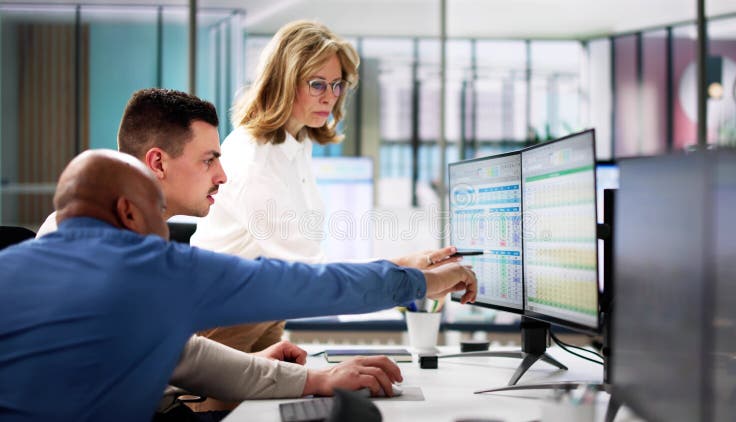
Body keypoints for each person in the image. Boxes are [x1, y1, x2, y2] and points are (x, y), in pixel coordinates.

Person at [0, 150, 477, 421]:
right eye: (158, 214)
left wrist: (309, 379)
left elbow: (183, 358)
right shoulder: (153, 267)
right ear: (127, 212)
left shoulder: (9, 267)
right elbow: (314, 286)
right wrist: (424, 280)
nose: (164, 232)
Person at [35, 88, 417, 418]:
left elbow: (178, 353)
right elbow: (187, 355)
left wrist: (262, 369)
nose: (222, 175)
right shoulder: (86, 238)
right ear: (158, 162)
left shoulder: (135, 235)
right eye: (208, 159)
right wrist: (314, 379)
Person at [191, 20, 457, 355]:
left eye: (337, 85)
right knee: (227, 409)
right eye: (318, 85)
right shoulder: (254, 158)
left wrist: (407, 263)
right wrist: (413, 275)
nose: (330, 97)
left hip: (262, 307)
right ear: (284, 81)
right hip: (223, 316)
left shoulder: (296, 141)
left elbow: (310, 257)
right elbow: (314, 275)